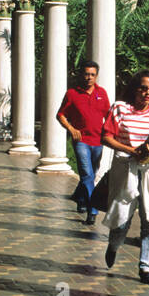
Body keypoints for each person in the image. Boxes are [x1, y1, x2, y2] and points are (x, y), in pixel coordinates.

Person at [100, 70, 149, 286]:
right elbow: (105, 137)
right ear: (135, 88)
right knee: (122, 218)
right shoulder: (120, 108)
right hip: (126, 169)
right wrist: (131, 149)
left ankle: (145, 267)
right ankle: (114, 245)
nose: (147, 93)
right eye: (143, 88)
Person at [56, 59, 111, 225]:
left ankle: (80, 198)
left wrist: (110, 134)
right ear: (82, 75)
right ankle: (92, 210)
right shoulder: (72, 94)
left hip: (98, 140)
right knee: (87, 174)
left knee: (91, 174)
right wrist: (72, 129)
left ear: (96, 76)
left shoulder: (102, 93)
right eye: (86, 74)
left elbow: (108, 116)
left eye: (92, 75)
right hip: (81, 141)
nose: (89, 77)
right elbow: (60, 115)